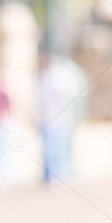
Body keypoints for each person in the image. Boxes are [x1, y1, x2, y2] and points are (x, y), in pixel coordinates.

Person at [37, 53, 86, 183]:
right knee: (49, 152)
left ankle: (57, 177)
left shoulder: (56, 80)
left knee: (58, 152)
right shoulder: (45, 79)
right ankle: (51, 177)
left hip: (59, 122)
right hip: (49, 122)